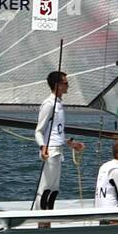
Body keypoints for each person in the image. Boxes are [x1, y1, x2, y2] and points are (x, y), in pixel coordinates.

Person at [34, 71, 84, 210]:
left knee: (54, 189)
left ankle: (48, 217)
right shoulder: (49, 104)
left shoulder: (59, 104)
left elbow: (57, 133)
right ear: (57, 85)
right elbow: (38, 131)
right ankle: (41, 221)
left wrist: (72, 144)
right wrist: (42, 147)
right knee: (45, 188)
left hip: (58, 151)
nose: (68, 85)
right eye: (66, 83)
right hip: (50, 152)